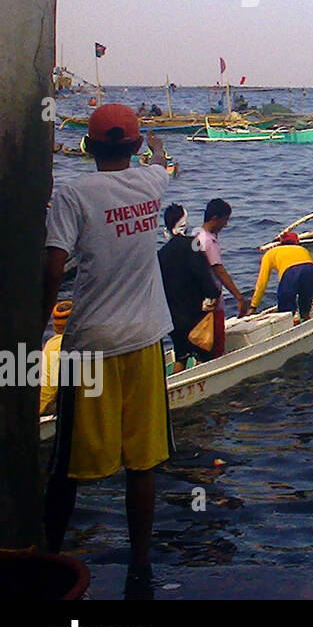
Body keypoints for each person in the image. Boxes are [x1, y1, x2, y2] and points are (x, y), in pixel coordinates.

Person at [41, 104, 174, 586]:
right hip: (143, 342)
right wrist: (156, 144)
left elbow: (53, 270)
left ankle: (49, 558)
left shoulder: (72, 195)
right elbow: (162, 160)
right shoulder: (151, 185)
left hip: (90, 345)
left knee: (67, 466)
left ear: (89, 147)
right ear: (134, 146)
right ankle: (141, 565)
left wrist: (36, 333)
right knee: (143, 463)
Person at [156, 204, 220, 365]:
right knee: (202, 355)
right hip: (195, 313)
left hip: (173, 316)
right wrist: (214, 293)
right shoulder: (192, 244)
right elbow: (203, 275)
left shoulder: (162, 252)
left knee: (181, 356)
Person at [194, 198, 250, 341]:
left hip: (197, 297)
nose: (226, 224)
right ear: (215, 218)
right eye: (225, 220)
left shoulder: (196, 236)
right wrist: (239, 297)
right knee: (215, 341)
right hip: (212, 300)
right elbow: (218, 269)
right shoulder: (209, 241)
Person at [249, 232, 313, 320]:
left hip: (290, 271)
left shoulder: (270, 253)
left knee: (286, 307)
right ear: (297, 242)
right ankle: (306, 316)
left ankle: (289, 322)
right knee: (305, 298)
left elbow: (262, 282)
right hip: (309, 267)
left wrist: (253, 306)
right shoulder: (302, 249)